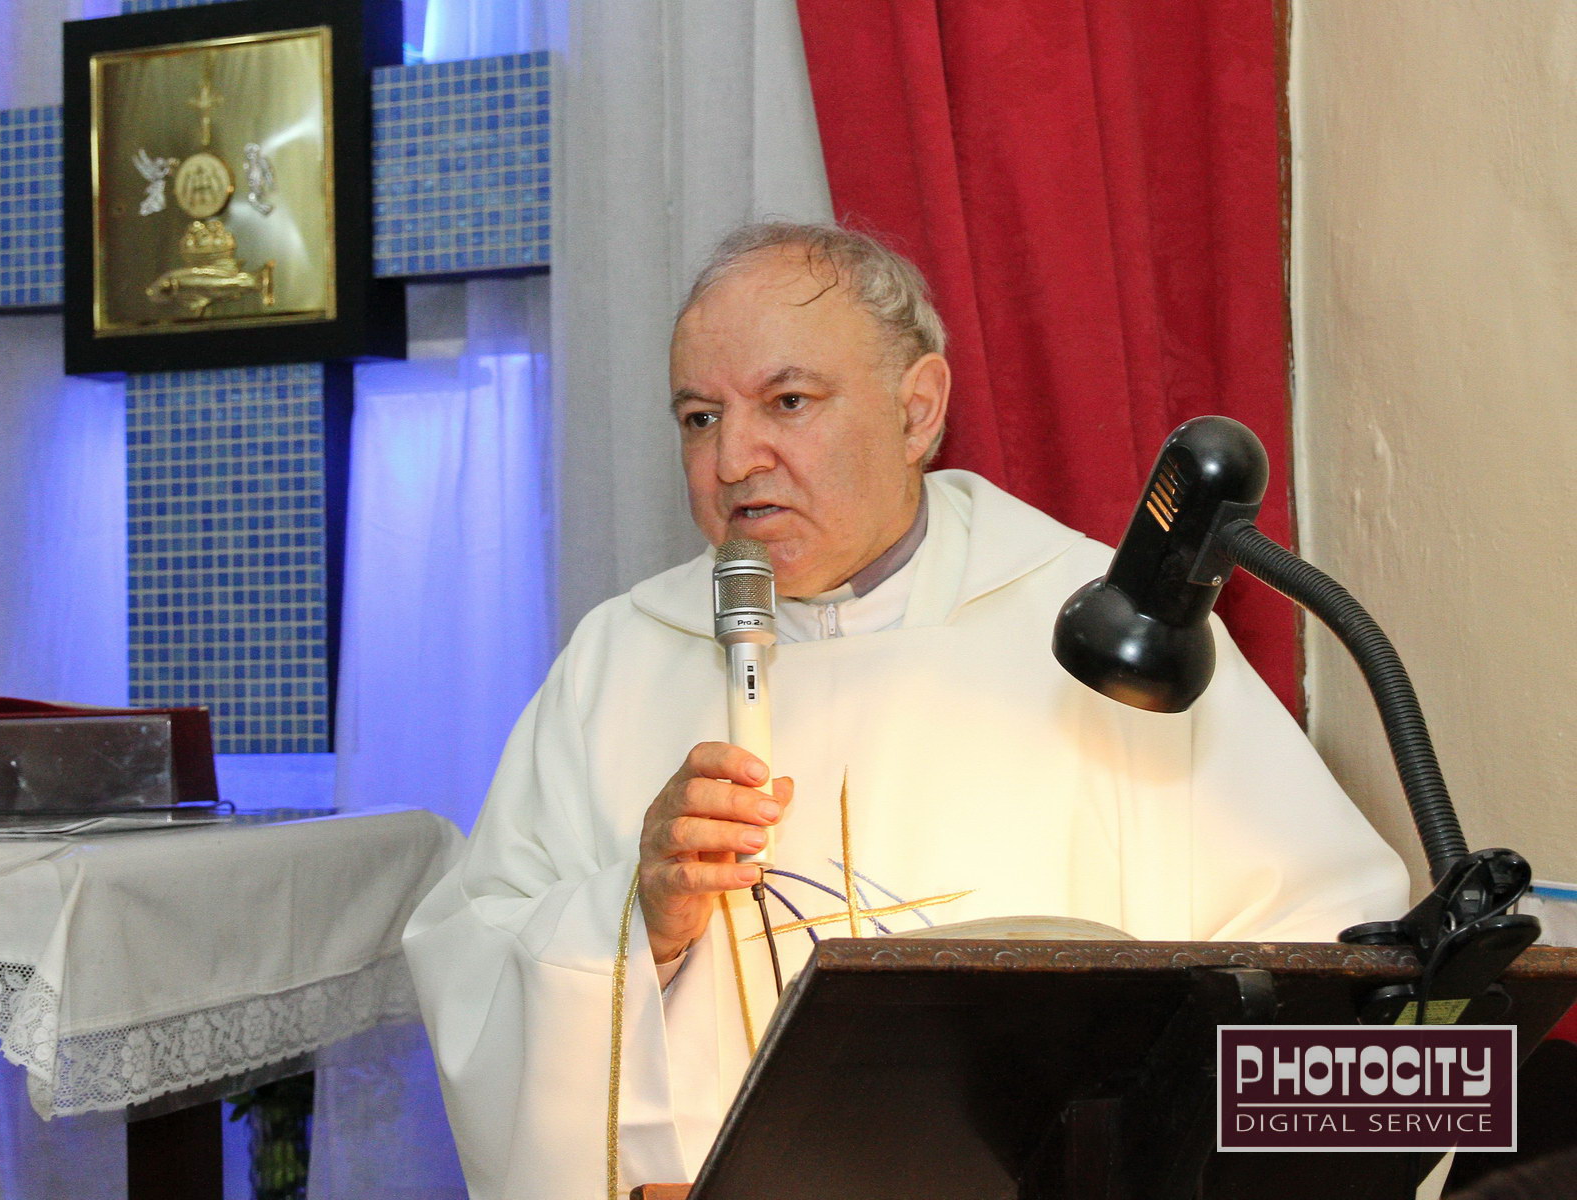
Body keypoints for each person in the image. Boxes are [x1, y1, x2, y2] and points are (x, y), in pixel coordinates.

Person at [403, 222, 1409, 1199]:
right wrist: (637, 925)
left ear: (918, 409)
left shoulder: (1102, 630)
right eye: (699, 417)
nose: (733, 458)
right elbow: (474, 962)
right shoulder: (620, 663)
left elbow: (1336, 957)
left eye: (786, 400)